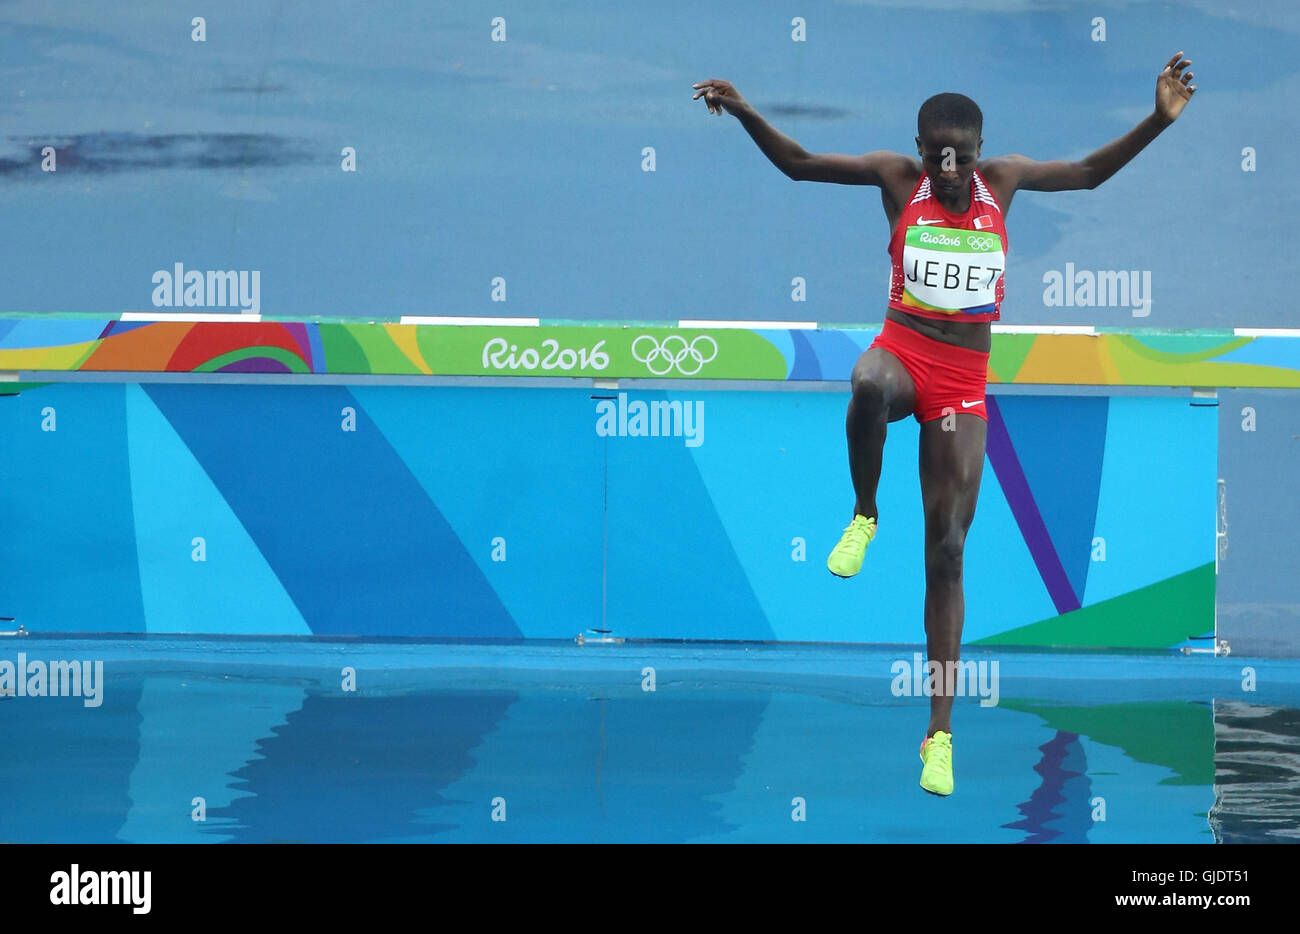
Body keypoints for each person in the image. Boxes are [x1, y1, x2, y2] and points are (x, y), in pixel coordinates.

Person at [693, 52, 1196, 795]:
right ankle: (865, 513)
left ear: (981, 151)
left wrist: (1157, 119)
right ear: (923, 151)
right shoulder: (898, 179)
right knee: (865, 381)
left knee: (951, 551)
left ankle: (939, 734)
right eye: (939, 157)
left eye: (962, 156)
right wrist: (745, 112)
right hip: (903, 353)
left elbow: (1089, 172)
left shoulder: (1005, 182)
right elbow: (799, 164)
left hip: (962, 382)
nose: (952, 169)